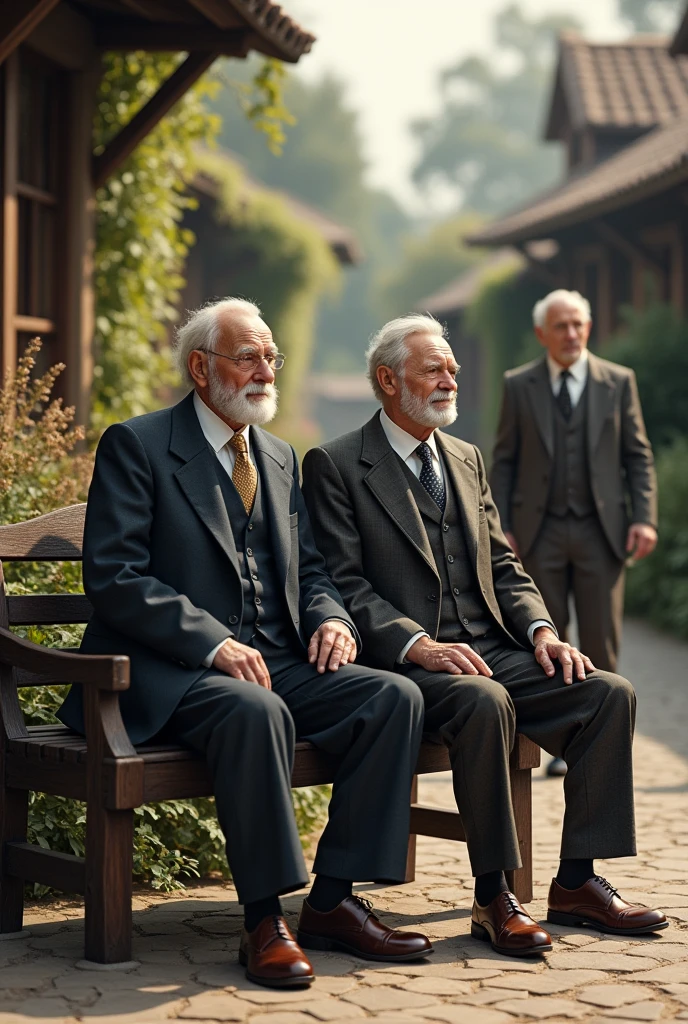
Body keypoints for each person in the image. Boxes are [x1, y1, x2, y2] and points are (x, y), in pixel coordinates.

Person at [59, 298, 432, 988]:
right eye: (249, 356)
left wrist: (332, 621)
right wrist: (210, 644)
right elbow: (115, 577)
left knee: (392, 697)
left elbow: (313, 568)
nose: (265, 369)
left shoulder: (281, 457)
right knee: (256, 712)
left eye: (271, 356)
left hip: (279, 660)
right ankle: (264, 920)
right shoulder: (137, 445)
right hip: (171, 672)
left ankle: (332, 902)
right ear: (201, 368)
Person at [302, 313, 667, 959]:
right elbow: (344, 582)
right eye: (434, 369)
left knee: (607, 692)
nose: (451, 379)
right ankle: (495, 894)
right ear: (388, 381)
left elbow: (503, 565)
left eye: (453, 369)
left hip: (495, 645)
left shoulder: (465, 457)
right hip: (411, 664)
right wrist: (416, 643)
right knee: (484, 700)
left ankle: (578, 882)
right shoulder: (335, 464)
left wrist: (543, 631)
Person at [490, 290, 657, 776]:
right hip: (537, 532)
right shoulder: (519, 385)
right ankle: (563, 744)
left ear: (589, 328)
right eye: (560, 326)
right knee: (548, 639)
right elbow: (504, 461)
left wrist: (644, 517)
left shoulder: (618, 381)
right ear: (542, 333)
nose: (570, 334)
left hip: (601, 532)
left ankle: (608, 748)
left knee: (602, 640)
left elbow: (637, 457)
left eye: (578, 324)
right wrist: (501, 528)